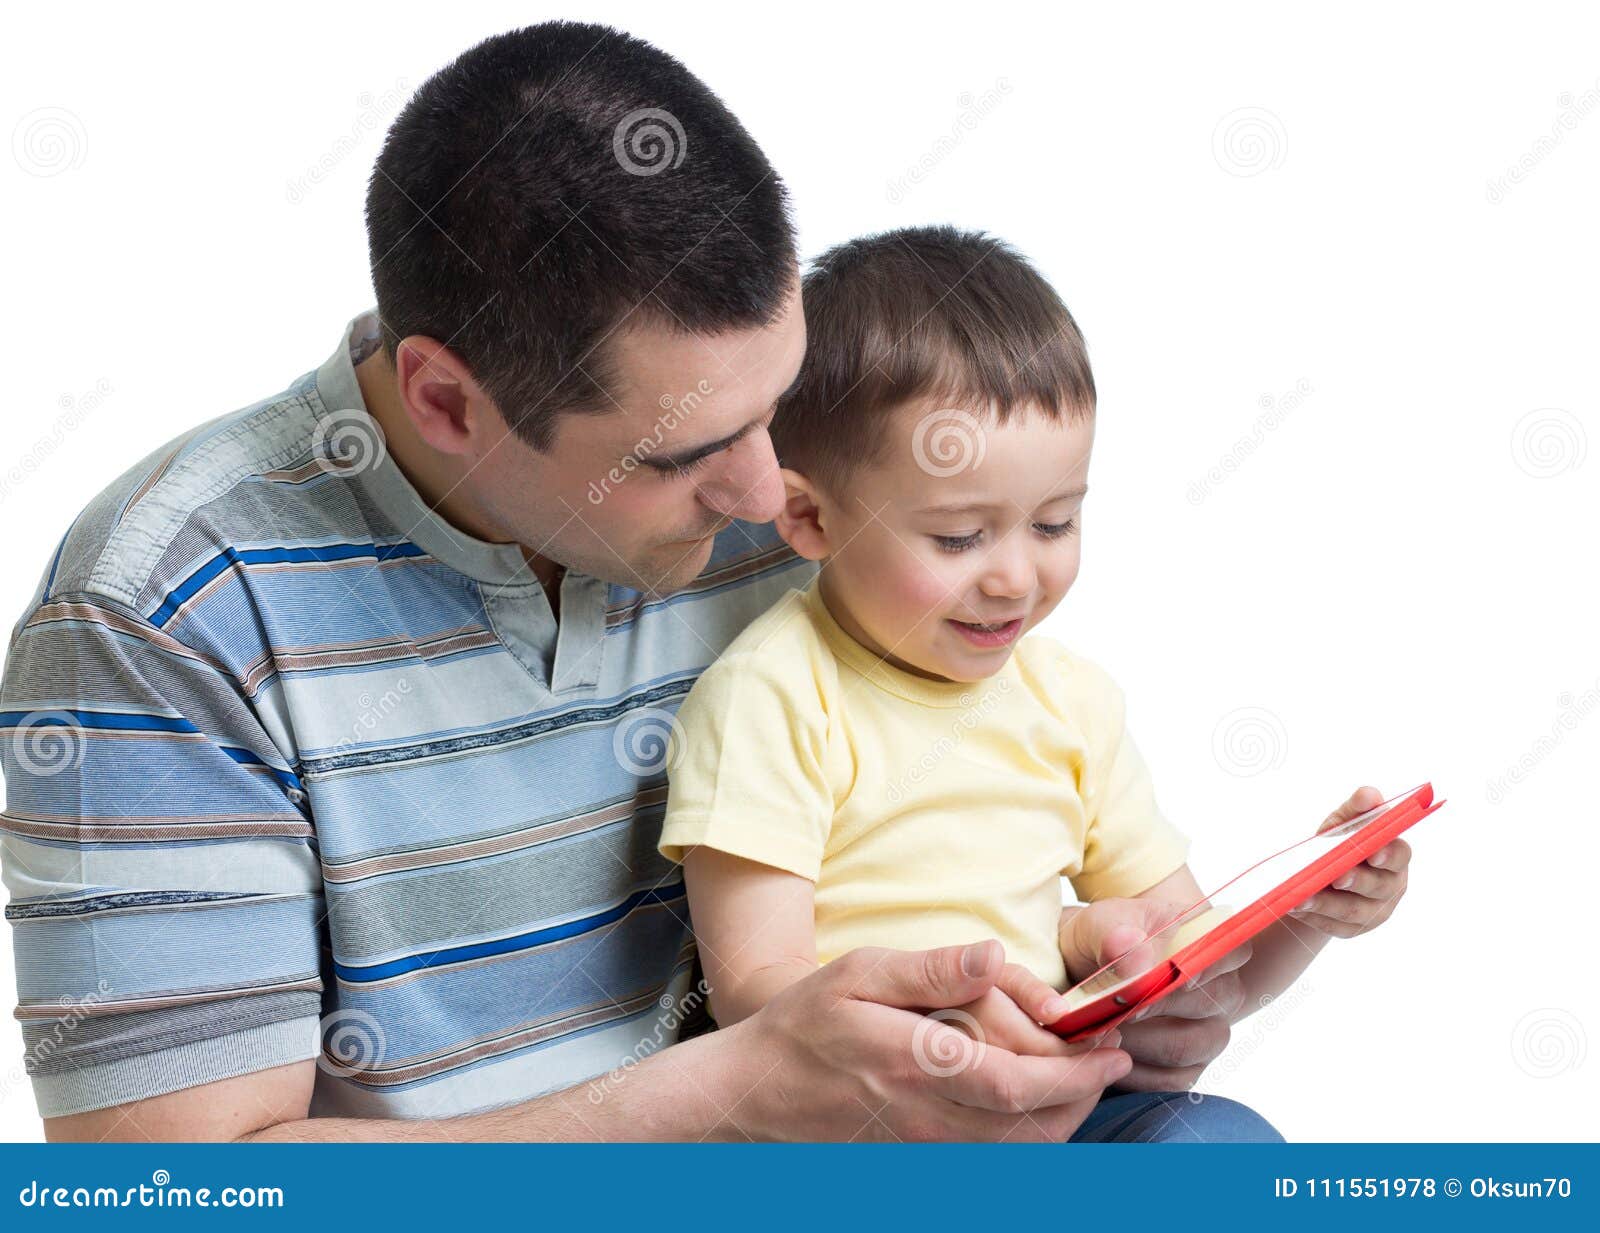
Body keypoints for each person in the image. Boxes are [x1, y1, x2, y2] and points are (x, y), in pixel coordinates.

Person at [0, 22, 1400, 1144]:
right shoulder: (159, 615)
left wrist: (1119, 985)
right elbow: (173, 1192)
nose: (766, 500)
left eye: (777, 403)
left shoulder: (804, 483)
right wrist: (731, 1091)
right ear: (444, 400)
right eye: (686, 457)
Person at [658, 227, 1415, 1142]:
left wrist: (1310, 914)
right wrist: (936, 1044)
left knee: (1224, 1141)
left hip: (1064, 1111)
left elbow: (1203, 974)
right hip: (860, 1130)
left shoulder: (1070, 702)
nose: (1015, 578)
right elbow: (754, 998)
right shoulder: (772, 696)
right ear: (811, 516)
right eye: (959, 538)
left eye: (1054, 522)